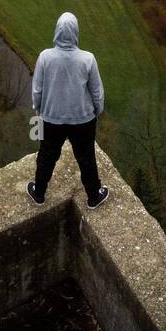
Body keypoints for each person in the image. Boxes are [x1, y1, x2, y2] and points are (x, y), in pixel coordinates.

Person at [27, 11, 109, 208]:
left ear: (57, 31)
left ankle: (39, 193)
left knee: (47, 155)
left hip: (51, 118)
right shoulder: (88, 59)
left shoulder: (45, 57)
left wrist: (38, 109)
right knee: (86, 157)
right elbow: (97, 92)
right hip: (82, 119)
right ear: (76, 32)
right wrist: (96, 111)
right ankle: (93, 196)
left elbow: (37, 89)